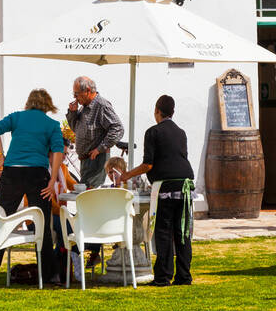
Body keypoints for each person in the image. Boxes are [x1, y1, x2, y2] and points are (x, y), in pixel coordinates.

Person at [0, 88, 65, 286]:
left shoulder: (17, 117)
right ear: (47, 105)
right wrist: (53, 180)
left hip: (12, 172)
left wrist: (1, 156)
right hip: (37, 173)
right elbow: (58, 152)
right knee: (42, 223)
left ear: (29, 102)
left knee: (2, 220)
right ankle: (50, 276)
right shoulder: (52, 124)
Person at [115, 94, 194, 286]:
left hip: (166, 186)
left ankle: (163, 276)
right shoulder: (181, 132)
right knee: (182, 231)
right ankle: (184, 275)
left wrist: (126, 175)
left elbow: (148, 165)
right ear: (172, 112)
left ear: (157, 111)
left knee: (164, 231)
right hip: (185, 184)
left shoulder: (153, 132)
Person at [67, 76, 125, 268]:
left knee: (91, 203)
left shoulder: (101, 105)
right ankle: (92, 249)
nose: (75, 96)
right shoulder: (84, 107)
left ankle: (93, 249)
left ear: (88, 91)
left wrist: (100, 148)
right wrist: (72, 113)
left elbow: (117, 128)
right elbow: (77, 129)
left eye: (77, 93)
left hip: (97, 162)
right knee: (87, 205)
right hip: (86, 163)